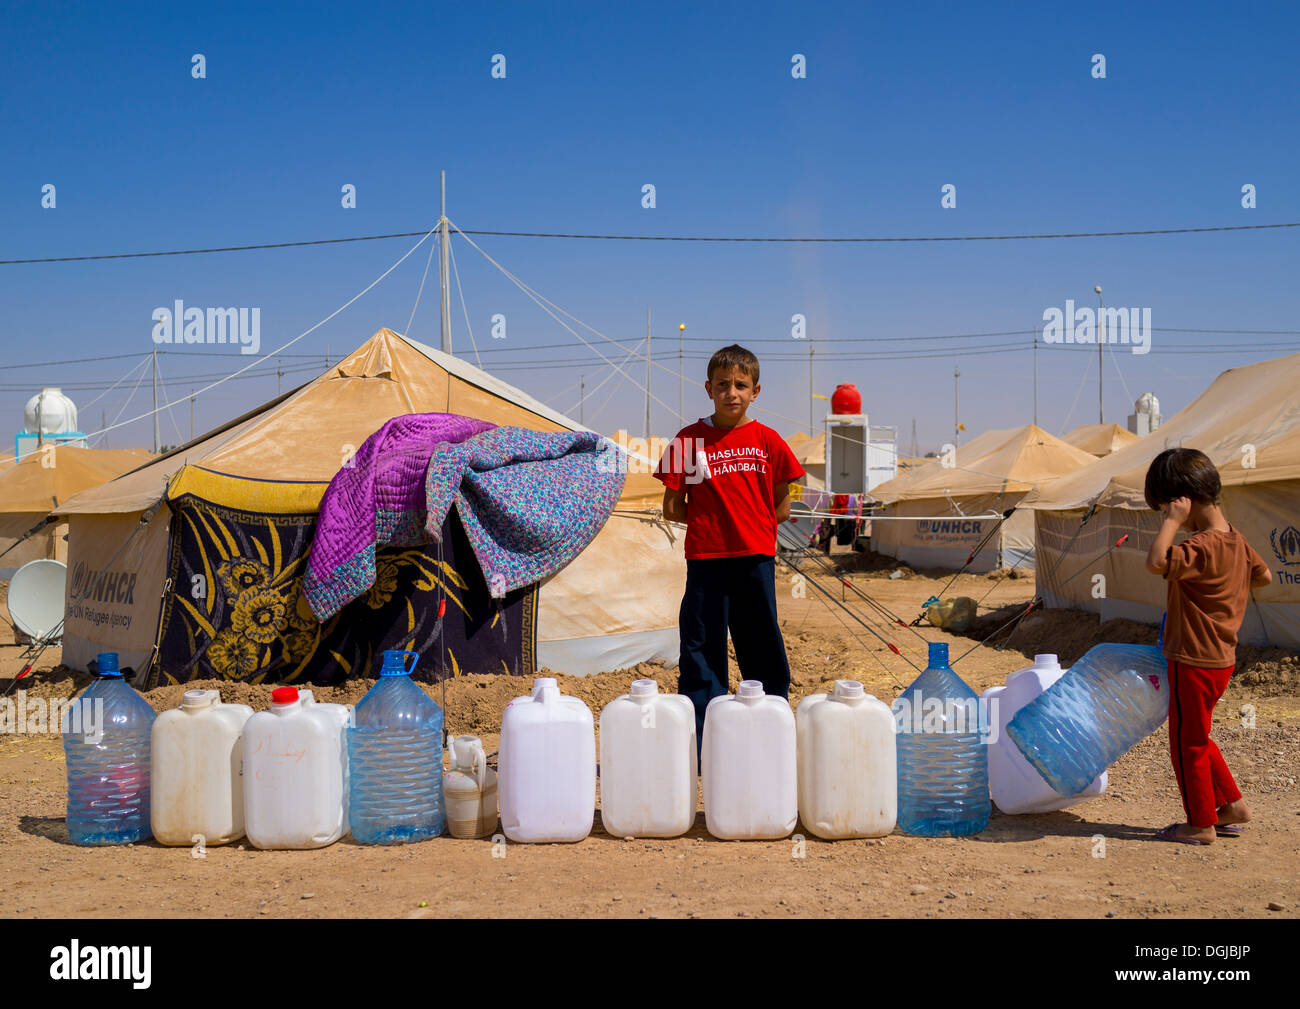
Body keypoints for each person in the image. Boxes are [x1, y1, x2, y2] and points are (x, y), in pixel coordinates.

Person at [654, 344, 805, 755]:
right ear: (708, 388)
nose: (731, 392)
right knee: (702, 645)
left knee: (760, 639)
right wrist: (713, 525)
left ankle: (771, 725)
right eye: (723, 385)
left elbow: (783, 502)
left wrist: (752, 528)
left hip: (755, 558)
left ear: (756, 391)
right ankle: (705, 737)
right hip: (706, 559)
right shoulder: (688, 441)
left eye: (741, 385)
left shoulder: (768, 441)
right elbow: (672, 507)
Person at [1143, 447, 1272, 845]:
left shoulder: (1199, 547)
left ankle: (1200, 824)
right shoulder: (1236, 540)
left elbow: (1157, 562)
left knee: (1187, 743)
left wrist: (1171, 522)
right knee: (1198, 735)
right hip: (1222, 659)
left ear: (1183, 500)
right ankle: (1232, 806)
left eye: (1166, 506)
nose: (1172, 519)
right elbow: (1264, 576)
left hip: (1192, 659)